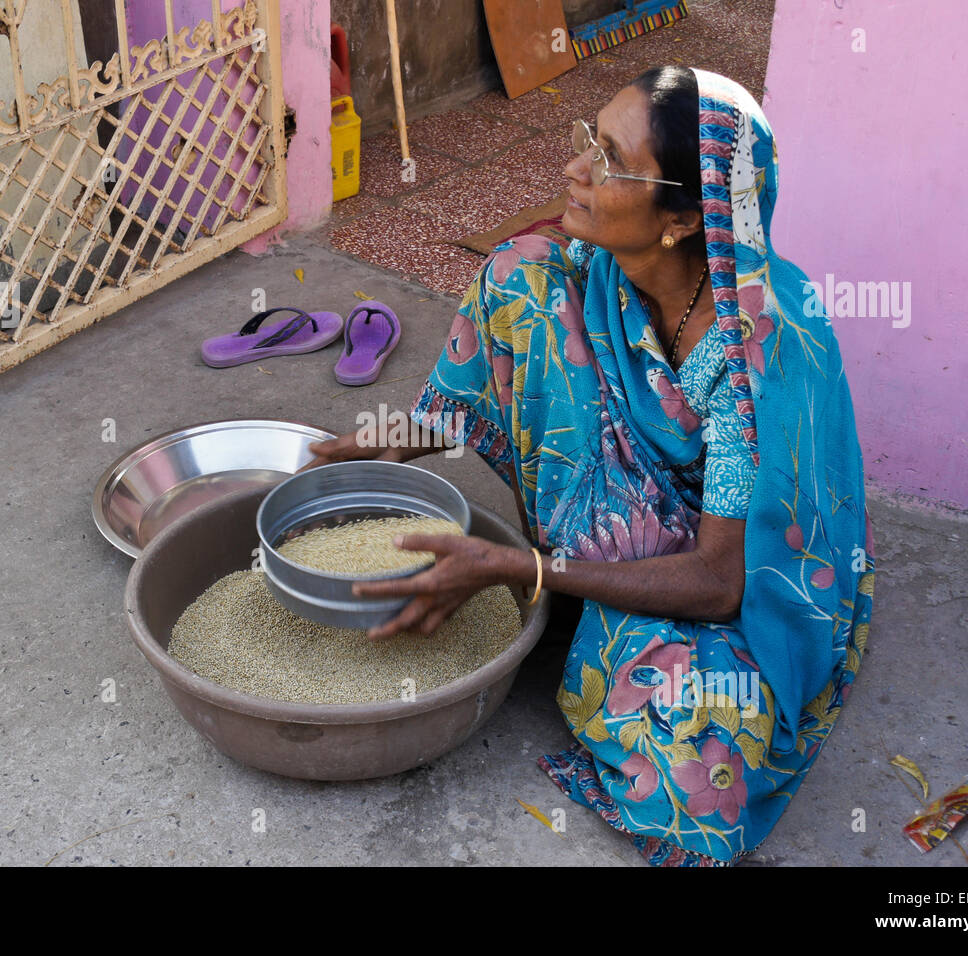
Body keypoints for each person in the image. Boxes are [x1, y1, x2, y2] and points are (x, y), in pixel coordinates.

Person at [308, 66, 874, 866]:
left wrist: (525, 569)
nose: (575, 169)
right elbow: (488, 372)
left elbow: (719, 581)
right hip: (620, 536)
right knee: (518, 276)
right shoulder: (595, 269)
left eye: (609, 159)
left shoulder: (759, 355)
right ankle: (588, 591)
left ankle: (589, 598)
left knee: (692, 764)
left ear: (681, 218)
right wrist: (390, 436)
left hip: (724, 577)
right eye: (587, 138)